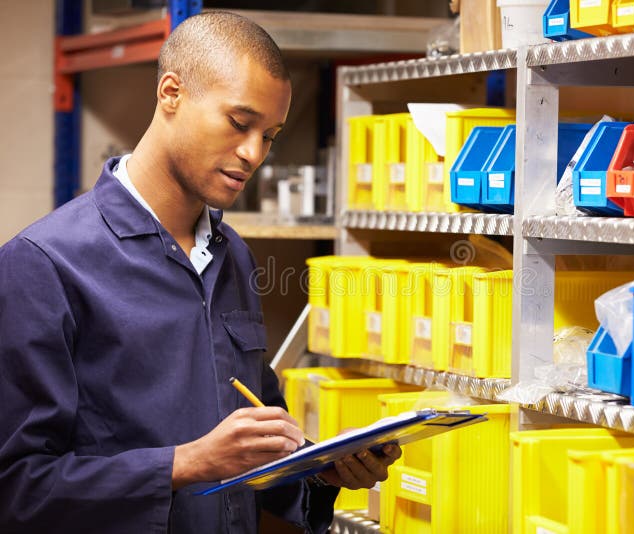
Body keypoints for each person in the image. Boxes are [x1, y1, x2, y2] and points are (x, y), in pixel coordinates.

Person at [0, 11, 400, 534]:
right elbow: (18, 487)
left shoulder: (233, 255)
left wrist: (323, 471)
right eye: (239, 122)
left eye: (271, 135)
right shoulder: (43, 264)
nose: (253, 153)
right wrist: (186, 464)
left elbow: (254, 452)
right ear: (171, 93)